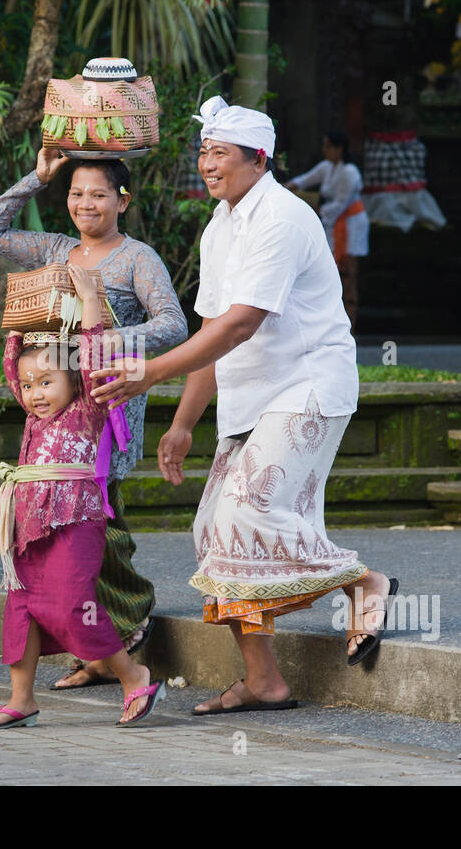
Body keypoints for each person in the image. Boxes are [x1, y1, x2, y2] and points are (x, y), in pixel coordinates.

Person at [91, 95, 398, 714]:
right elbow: (210, 332)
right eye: (203, 151)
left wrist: (147, 373)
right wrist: (182, 423)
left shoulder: (283, 218)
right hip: (252, 393)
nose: (207, 163)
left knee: (244, 513)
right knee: (213, 531)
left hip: (309, 385)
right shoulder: (220, 227)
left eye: (220, 153)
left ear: (259, 159)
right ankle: (265, 680)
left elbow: (239, 326)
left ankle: (365, 581)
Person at [0, 149, 187, 689]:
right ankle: (98, 648)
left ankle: (121, 634)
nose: (84, 204)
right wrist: (37, 178)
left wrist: (108, 339)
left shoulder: (137, 258)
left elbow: (174, 326)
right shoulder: (54, 248)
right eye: (74, 193)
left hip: (108, 410)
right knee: (75, 533)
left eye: (97, 193)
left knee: (98, 529)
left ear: (122, 200)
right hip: (52, 419)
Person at [0, 263, 165, 728]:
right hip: (27, 523)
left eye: (46, 382)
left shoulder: (88, 405)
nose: (35, 394)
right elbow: (12, 362)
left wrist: (88, 302)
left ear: (73, 381)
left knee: (70, 603)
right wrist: (20, 323)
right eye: (28, 386)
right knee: (20, 606)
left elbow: (91, 354)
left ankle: (133, 676)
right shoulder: (33, 417)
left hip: (77, 519)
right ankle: (22, 698)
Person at [286, 131, 368, 330]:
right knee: (333, 272)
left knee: (348, 274)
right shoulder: (326, 167)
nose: (325, 151)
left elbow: (340, 204)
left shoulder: (350, 173)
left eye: (328, 147)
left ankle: (351, 325)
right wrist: (283, 188)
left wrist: (316, 211)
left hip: (350, 226)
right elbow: (304, 180)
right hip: (332, 224)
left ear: (339, 149)